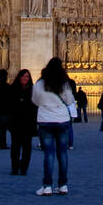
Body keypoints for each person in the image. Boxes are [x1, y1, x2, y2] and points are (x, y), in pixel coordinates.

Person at [31, 57, 76, 195]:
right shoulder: (64, 84)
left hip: (45, 120)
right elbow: (70, 100)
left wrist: (46, 105)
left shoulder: (40, 83)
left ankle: (47, 186)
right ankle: (63, 185)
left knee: (48, 154)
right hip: (62, 120)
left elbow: (35, 100)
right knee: (62, 153)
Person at [8, 69, 36, 175]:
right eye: (24, 76)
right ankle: (15, 167)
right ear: (19, 77)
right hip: (16, 122)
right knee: (15, 146)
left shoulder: (32, 91)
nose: (25, 78)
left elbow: (35, 107)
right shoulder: (13, 89)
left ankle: (24, 167)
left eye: (27, 76)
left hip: (28, 123)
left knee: (27, 147)